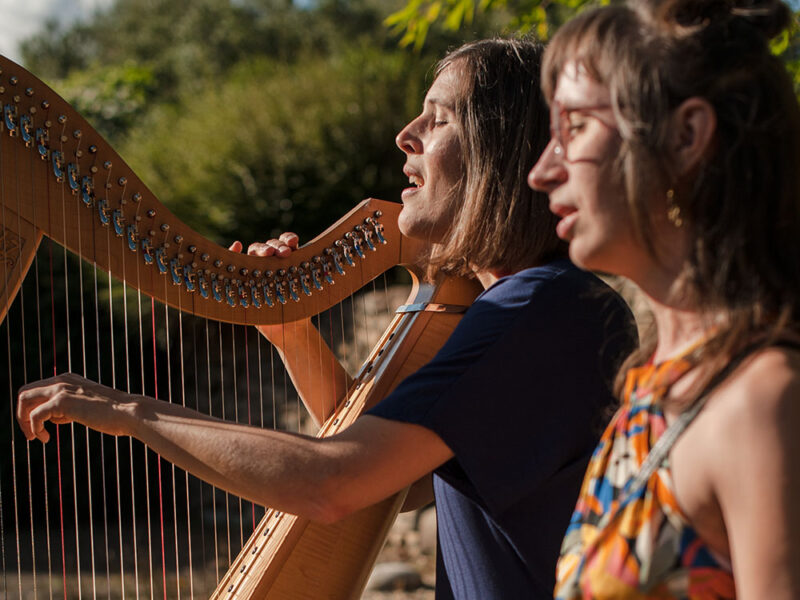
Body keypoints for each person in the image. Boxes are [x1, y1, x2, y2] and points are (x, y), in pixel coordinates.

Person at [17, 39, 636, 598]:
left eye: (440, 117)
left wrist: (129, 411)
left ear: (503, 153)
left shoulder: (532, 311)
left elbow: (333, 483)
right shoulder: (545, 307)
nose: (406, 134)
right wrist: (292, 337)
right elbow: (398, 486)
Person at [528, 0, 800, 597]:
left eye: (575, 127)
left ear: (685, 137)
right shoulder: (647, 385)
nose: (542, 171)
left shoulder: (760, 401)